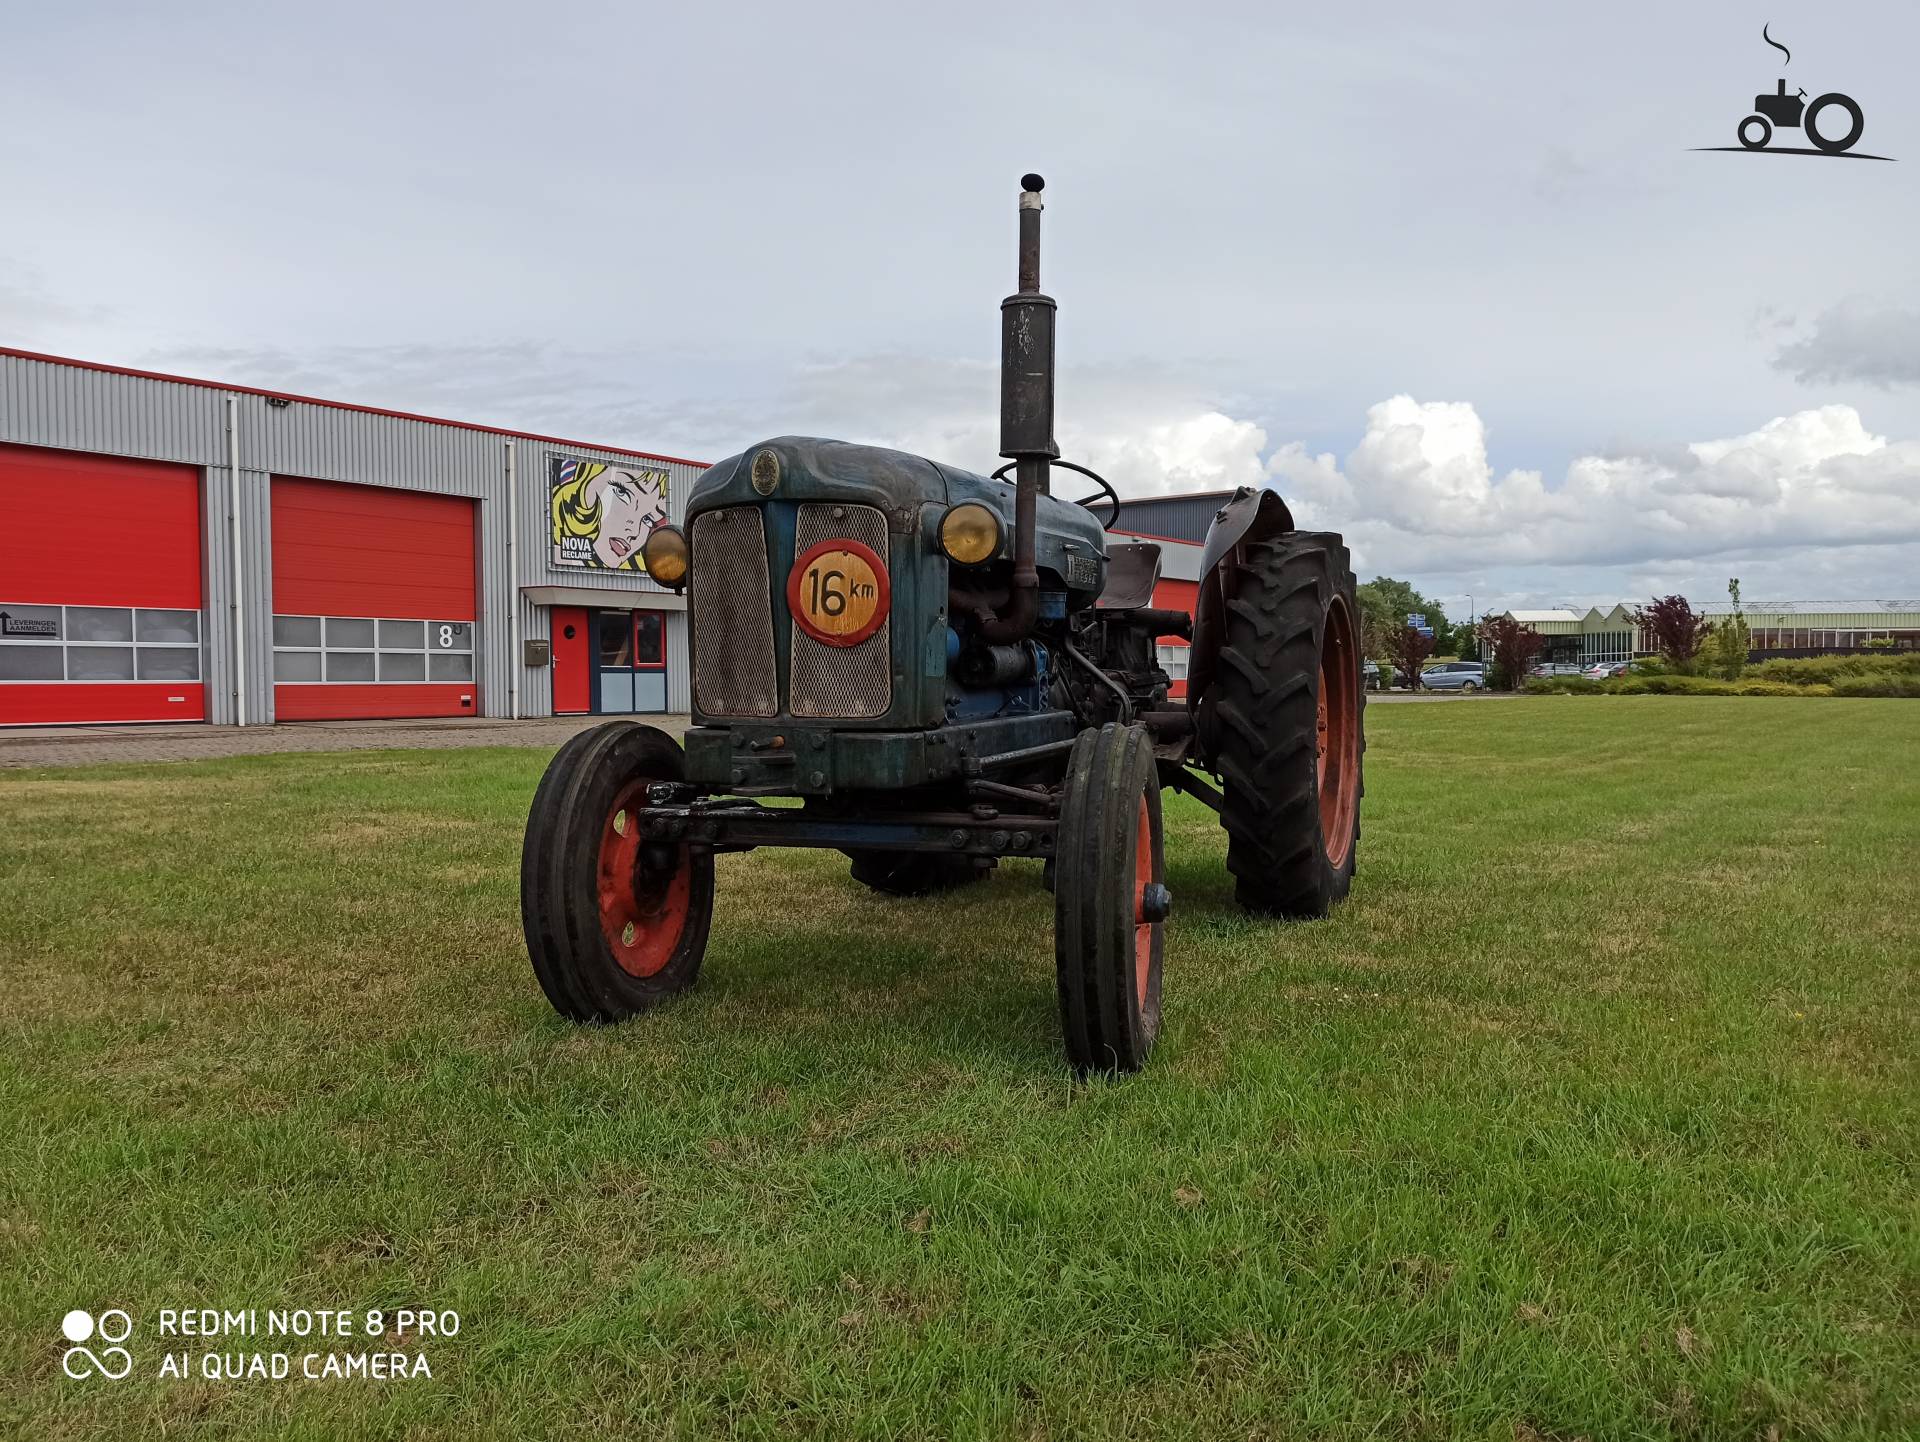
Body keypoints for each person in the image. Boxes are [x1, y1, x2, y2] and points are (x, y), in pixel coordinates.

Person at [551, 462, 668, 572]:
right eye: (622, 492)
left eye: (648, 519)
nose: (634, 531)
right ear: (587, 481)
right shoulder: (555, 556)